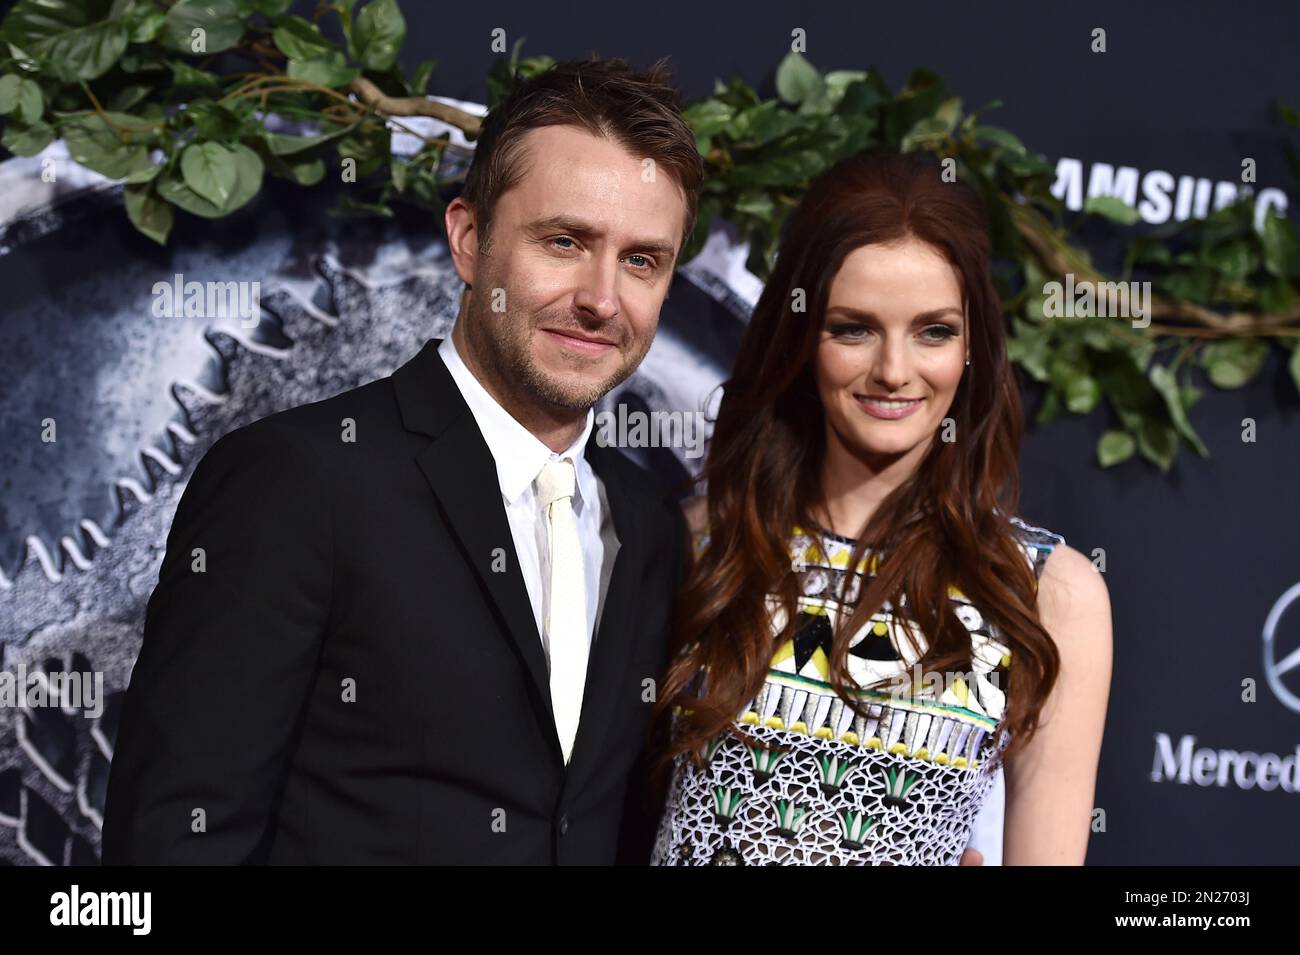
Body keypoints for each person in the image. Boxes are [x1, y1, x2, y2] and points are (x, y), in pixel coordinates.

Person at [101, 56, 704, 864]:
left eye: (642, 260)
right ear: (467, 238)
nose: (601, 298)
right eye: (564, 241)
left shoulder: (649, 526)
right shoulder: (293, 483)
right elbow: (173, 842)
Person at [646, 148, 1113, 865]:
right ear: (803, 335)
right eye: (854, 328)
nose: (894, 370)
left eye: (933, 331)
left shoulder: (1048, 593)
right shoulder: (701, 544)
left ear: (972, 349)